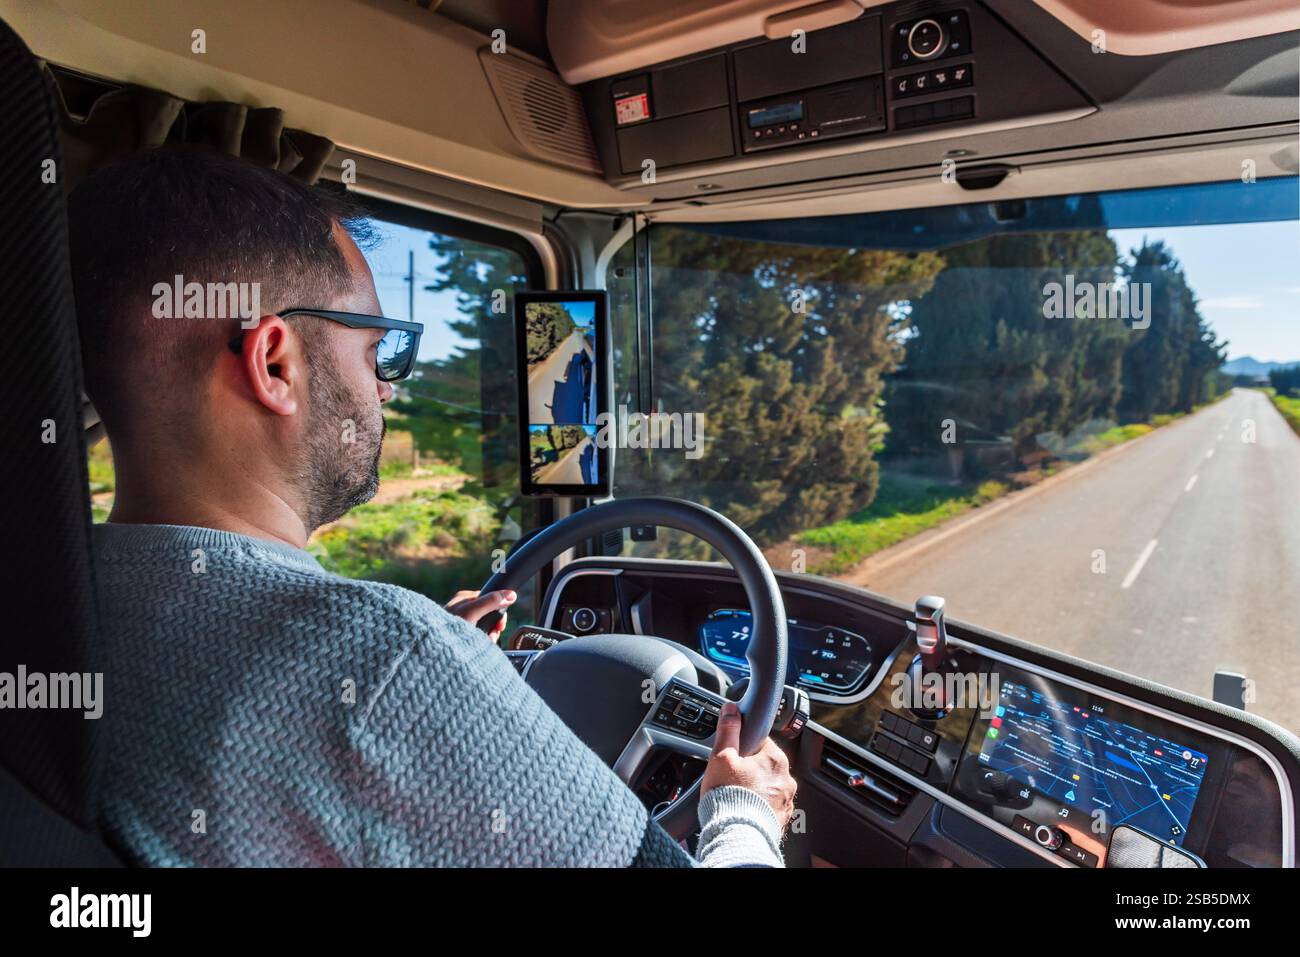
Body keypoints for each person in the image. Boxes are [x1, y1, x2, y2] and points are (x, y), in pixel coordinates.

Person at [68, 146, 796, 867]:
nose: (387, 389)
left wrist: (436, 661)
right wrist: (744, 810)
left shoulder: (51, 602)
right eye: (378, 353)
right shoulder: (388, 658)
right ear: (275, 364)